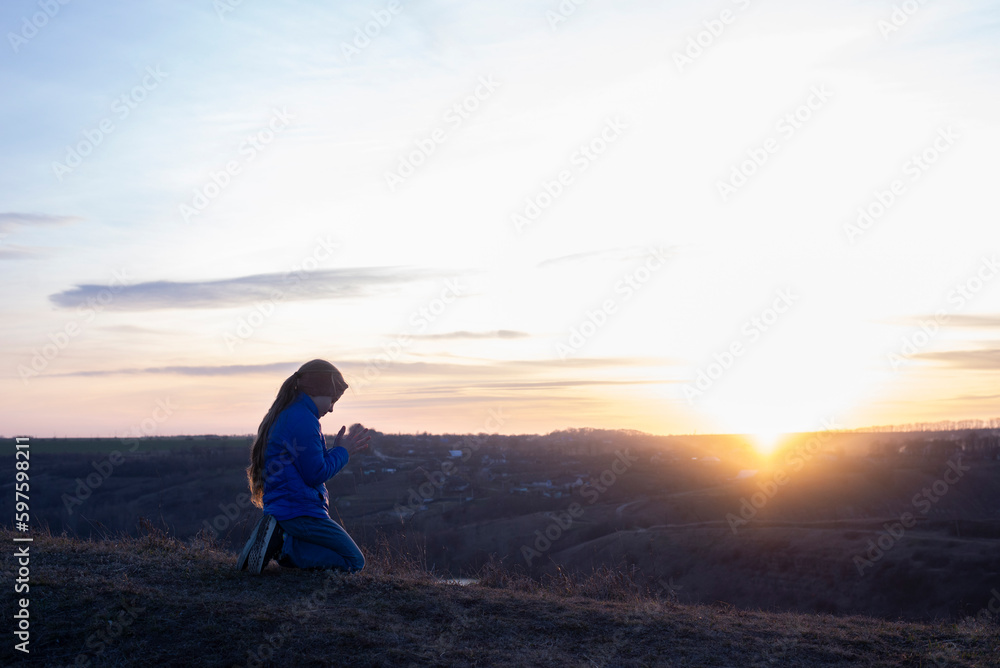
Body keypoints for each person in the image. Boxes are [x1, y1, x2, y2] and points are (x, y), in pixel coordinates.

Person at [237, 359, 371, 574]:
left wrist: (337, 449)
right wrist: (343, 452)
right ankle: (283, 546)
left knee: (341, 555)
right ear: (318, 390)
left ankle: (281, 541)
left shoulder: (291, 414)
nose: (332, 408)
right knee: (353, 560)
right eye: (332, 399)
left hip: (288, 508)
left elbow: (307, 464)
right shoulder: (303, 420)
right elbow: (316, 473)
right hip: (298, 511)